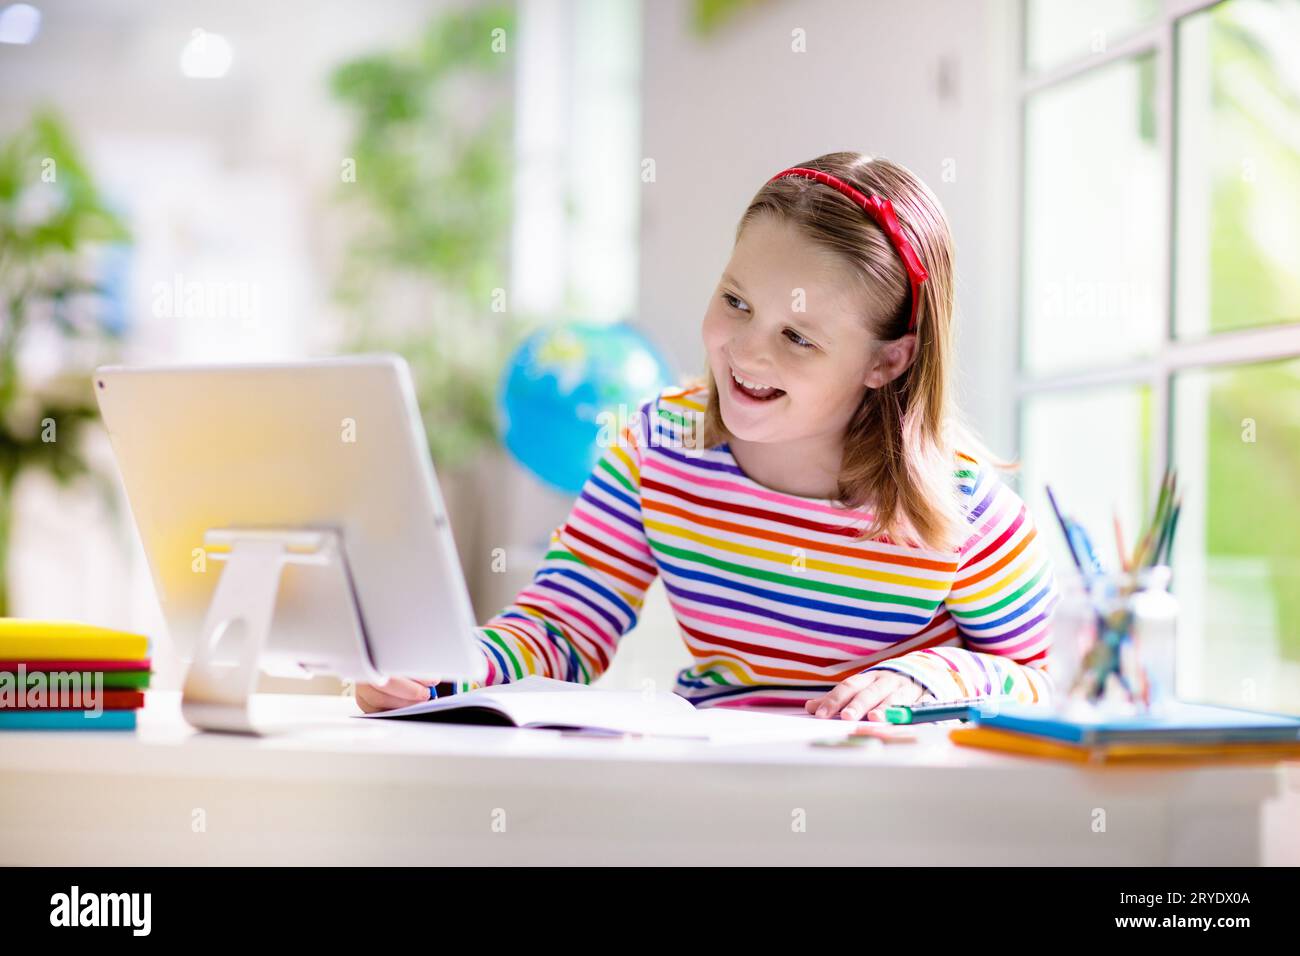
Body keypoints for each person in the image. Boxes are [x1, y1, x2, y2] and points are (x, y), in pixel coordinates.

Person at [356, 151, 1061, 721]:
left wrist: (931, 675)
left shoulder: (962, 506)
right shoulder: (658, 445)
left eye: (797, 336)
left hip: (886, 812)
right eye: (736, 302)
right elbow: (562, 630)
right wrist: (444, 672)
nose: (747, 353)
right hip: (711, 788)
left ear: (888, 359)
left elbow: (1042, 676)